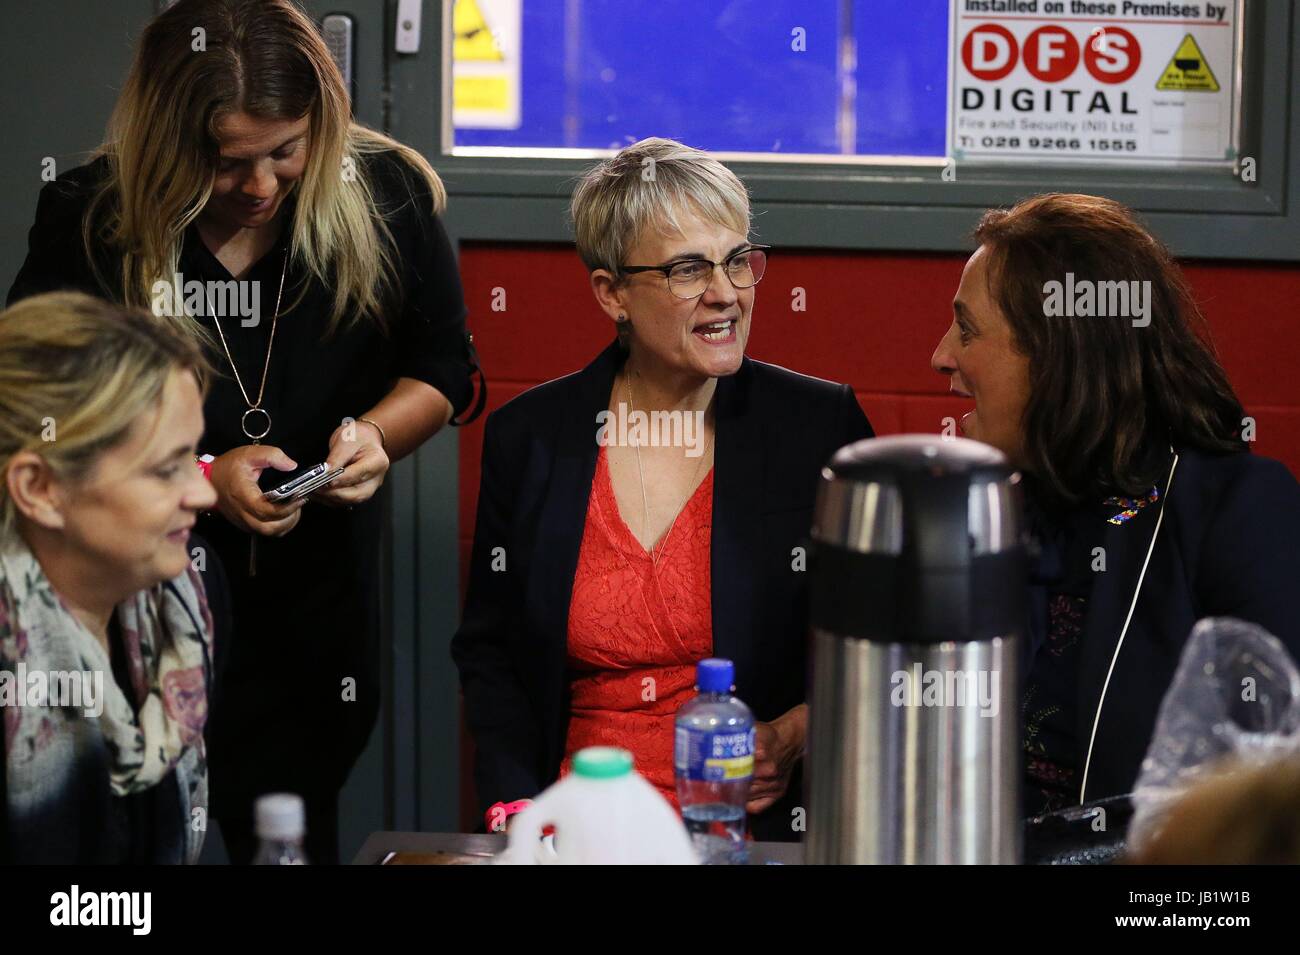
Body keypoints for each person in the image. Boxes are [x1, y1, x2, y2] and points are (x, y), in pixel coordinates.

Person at [7, 0, 482, 863]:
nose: (260, 186)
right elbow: (36, 412)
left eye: (286, 152)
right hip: (131, 604)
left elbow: (446, 368)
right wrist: (206, 470)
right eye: (227, 163)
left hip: (313, 607)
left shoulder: (382, 195)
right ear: (167, 140)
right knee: (132, 848)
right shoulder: (92, 217)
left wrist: (374, 436)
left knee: (290, 831)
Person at [452, 137, 873, 841]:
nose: (726, 292)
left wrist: (797, 732)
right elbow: (490, 652)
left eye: (738, 260)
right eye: (687, 269)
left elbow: (887, 637)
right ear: (611, 293)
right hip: (575, 824)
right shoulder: (531, 436)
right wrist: (516, 810)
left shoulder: (818, 425)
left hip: (754, 830)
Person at [929, 192, 1300, 814]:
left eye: (967, 328)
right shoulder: (987, 511)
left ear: (1059, 356)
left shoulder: (1237, 514)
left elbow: (1272, 797)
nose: (942, 354)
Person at [0, 292, 222, 863]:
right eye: (167, 468)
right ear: (40, 489)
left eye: (194, 458)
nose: (205, 493)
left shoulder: (185, 599)